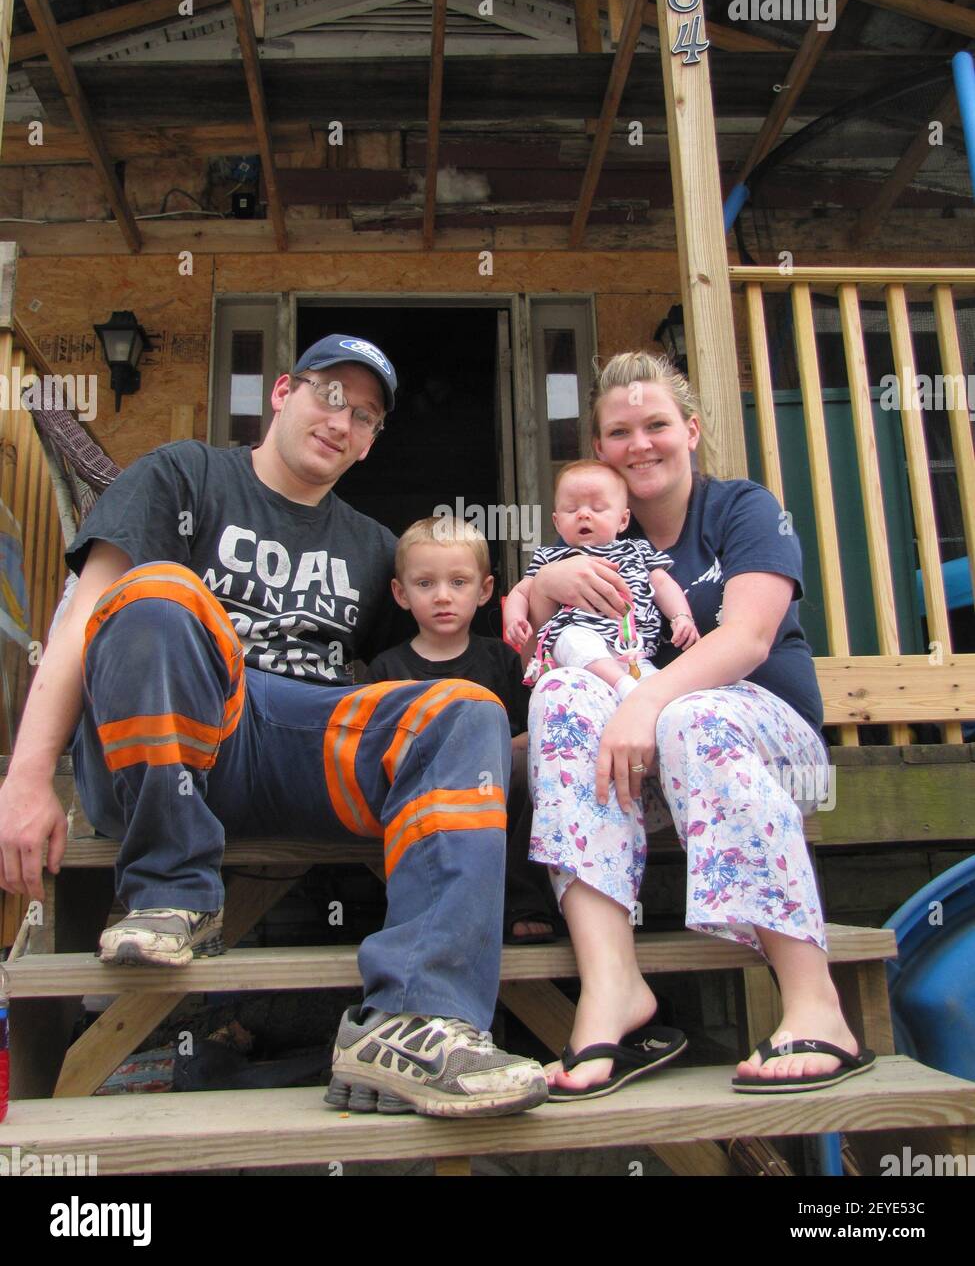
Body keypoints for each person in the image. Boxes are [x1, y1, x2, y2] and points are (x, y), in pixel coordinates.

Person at [0, 334, 548, 1120]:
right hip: (183, 735)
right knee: (158, 592)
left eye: (365, 417)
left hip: (304, 746)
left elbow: (415, 649)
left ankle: (416, 1021)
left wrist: (547, 582)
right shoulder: (181, 475)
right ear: (283, 391)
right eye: (330, 395)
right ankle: (170, 893)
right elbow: (85, 619)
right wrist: (26, 777)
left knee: (464, 708)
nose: (342, 421)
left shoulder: (367, 545)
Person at [525, 351, 875, 1101]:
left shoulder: (741, 508)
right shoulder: (592, 540)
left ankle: (816, 1004)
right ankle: (612, 985)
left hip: (764, 745)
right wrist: (540, 583)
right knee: (559, 697)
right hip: (640, 766)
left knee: (691, 711)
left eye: (656, 424)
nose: (639, 444)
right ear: (599, 450)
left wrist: (645, 702)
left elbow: (746, 639)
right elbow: (534, 640)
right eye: (619, 431)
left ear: (690, 429)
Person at [363, 515, 556, 944]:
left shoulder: (501, 661)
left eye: (459, 582)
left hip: (499, 791)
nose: (443, 597)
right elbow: (376, 747)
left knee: (532, 776)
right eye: (425, 584)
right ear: (401, 593)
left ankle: (523, 901)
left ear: (485, 590)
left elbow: (533, 732)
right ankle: (426, 915)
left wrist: (491, 756)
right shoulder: (388, 668)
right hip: (425, 792)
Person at [504, 460, 698, 697]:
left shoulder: (637, 551)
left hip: (633, 652)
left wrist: (681, 616)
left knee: (663, 691)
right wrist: (515, 619)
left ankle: (638, 692)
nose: (584, 515)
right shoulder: (551, 557)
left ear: (623, 520)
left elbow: (662, 583)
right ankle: (622, 686)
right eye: (571, 509)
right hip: (577, 657)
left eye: (597, 508)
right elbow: (521, 592)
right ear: (557, 522)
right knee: (569, 637)